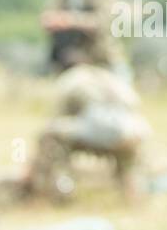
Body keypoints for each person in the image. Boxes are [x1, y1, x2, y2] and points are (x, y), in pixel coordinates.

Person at [26, 63, 150, 201]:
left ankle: (55, 192)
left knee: (50, 136)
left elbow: (56, 118)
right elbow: (134, 105)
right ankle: (133, 195)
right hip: (131, 132)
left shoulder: (71, 78)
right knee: (129, 160)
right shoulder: (112, 78)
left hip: (98, 126)